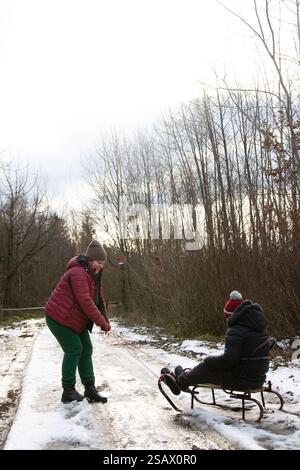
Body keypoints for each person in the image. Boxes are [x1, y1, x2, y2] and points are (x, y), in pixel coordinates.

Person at [161, 291, 271, 394]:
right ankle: (182, 376)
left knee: (205, 367)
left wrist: (209, 360)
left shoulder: (236, 331)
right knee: (209, 366)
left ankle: (179, 383)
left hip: (241, 381)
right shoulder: (259, 329)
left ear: (233, 316)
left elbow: (229, 360)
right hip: (257, 378)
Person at [45, 240, 111, 404]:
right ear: (90, 260)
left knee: (86, 348)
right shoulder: (77, 273)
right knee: (74, 349)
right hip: (58, 317)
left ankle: (90, 389)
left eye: (103, 263)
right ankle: (68, 391)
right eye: (99, 262)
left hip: (74, 319)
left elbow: (99, 301)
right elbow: (86, 301)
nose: (101, 266)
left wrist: (106, 322)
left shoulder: (94, 275)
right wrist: (101, 323)